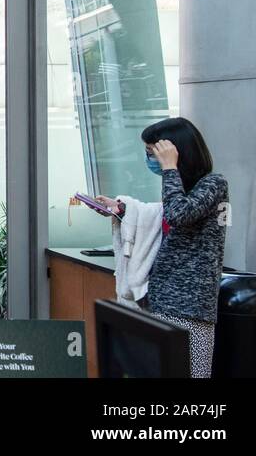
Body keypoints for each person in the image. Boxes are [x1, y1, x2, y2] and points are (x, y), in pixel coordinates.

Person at [96, 117, 228, 378]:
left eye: (153, 153)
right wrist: (122, 209)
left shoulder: (214, 184)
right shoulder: (179, 189)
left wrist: (170, 169)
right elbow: (159, 215)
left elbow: (179, 215)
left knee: (189, 375)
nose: (151, 161)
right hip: (158, 300)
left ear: (177, 151)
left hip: (189, 305)